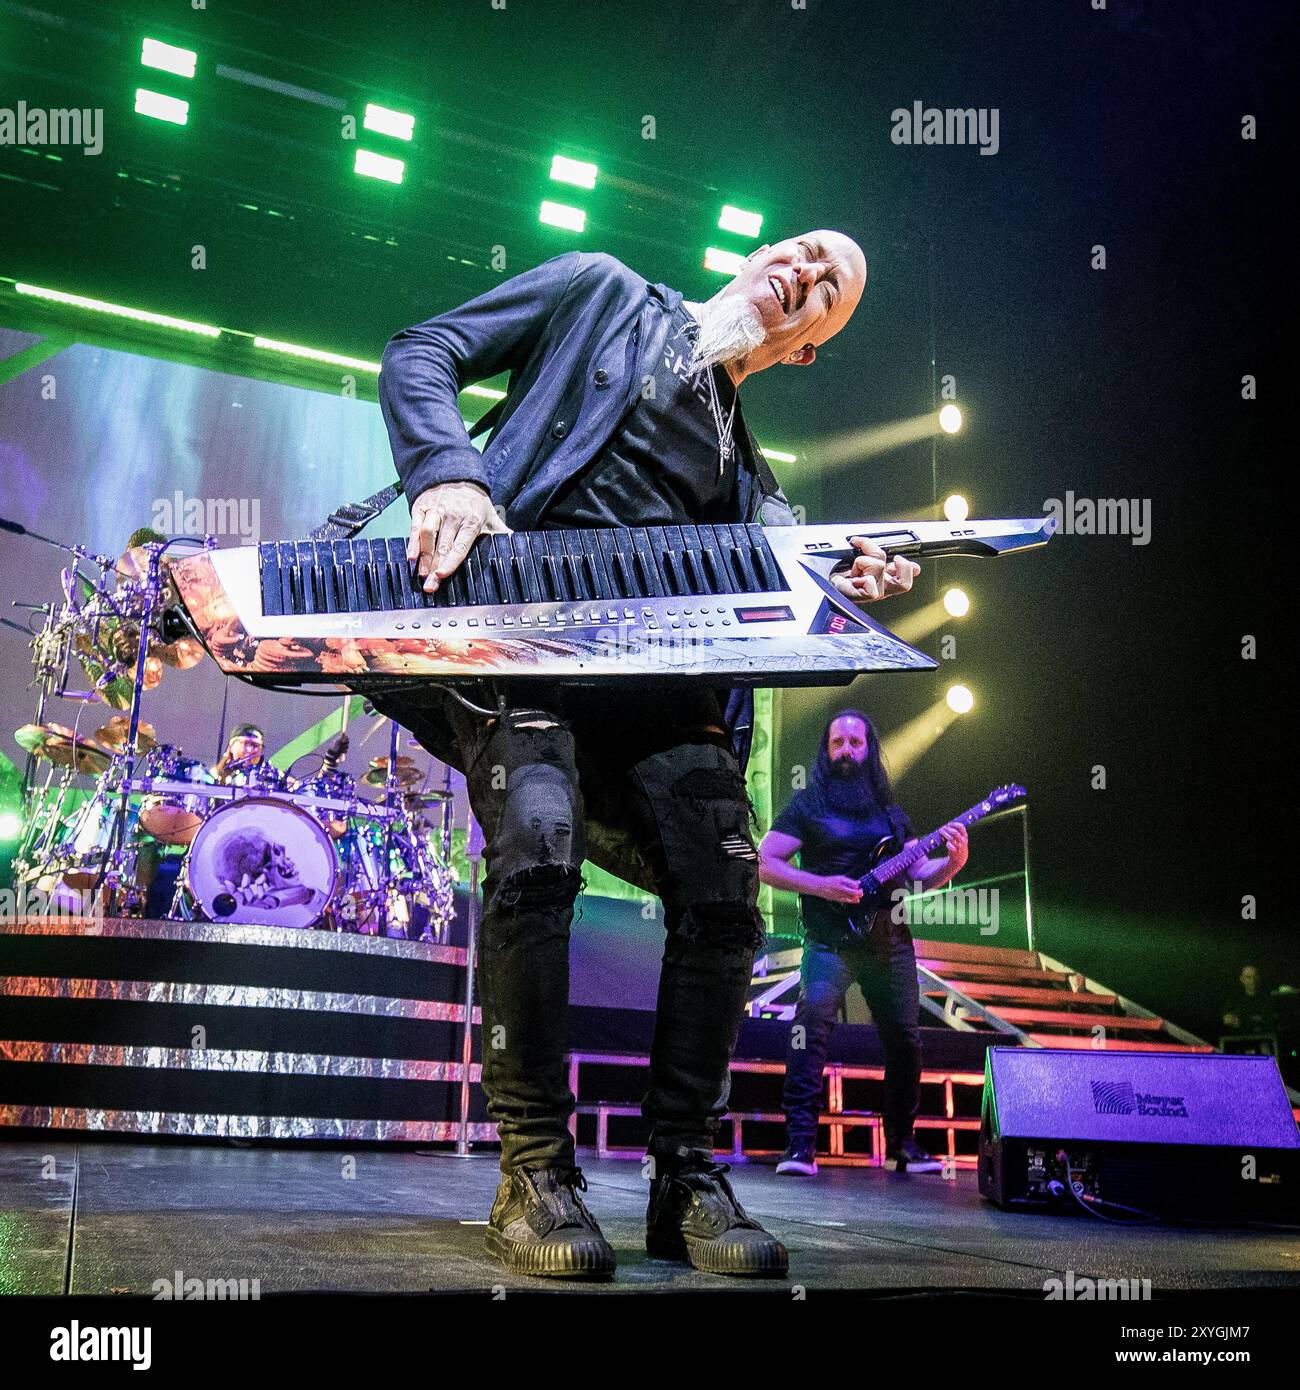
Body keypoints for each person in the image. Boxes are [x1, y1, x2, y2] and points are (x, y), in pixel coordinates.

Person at [370, 233, 920, 1279]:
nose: (805, 270)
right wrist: (447, 474)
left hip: (659, 696)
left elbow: (793, 594)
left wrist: (848, 582)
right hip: (517, 653)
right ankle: (533, 1171)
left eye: (829, 287)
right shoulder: (601, 290)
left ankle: (687, 1177)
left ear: (806, 346)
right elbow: (421, 351)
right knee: (536, 844)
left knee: (723, 885)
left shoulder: (752, 475)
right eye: (804, 252)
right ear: (759, 254)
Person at [758, 710, 967, 1177]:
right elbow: (765, 863)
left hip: (889, 943)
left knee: (905, 1042)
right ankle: (799, 1147)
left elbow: (920, 875)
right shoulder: (807, 805)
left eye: (856, 742)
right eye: (838, 742)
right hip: (830, 941)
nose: (847, 750)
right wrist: (820, 885)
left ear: (870, 749)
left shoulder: (891, 814)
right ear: (826, 750)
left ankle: (903, 1146)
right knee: (810, 1029)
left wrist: (955, 861)